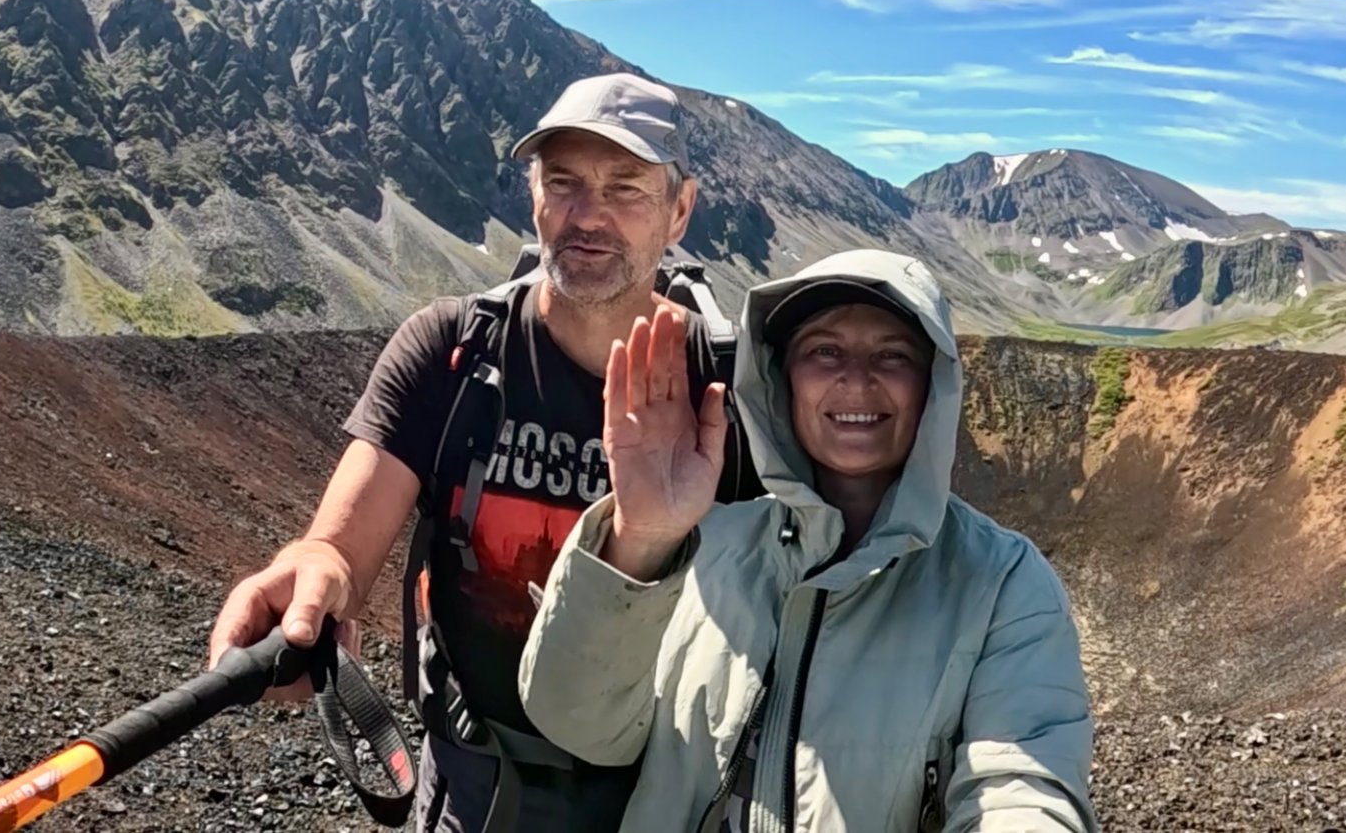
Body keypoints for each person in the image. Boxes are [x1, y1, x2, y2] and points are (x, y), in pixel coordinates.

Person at [206, 73, 757, 833]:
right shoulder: (452, 350)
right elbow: (337, 548)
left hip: (663, 794)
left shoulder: (726, 386)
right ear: (532, 195)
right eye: (562, 181)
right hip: (474, 786)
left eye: (626, 187)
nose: (587, 214)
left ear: (680, 210)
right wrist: (310, 582)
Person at [518, 249, 1099, 832]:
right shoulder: (704, 549)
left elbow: (1022, 787)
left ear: (933, 385)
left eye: (893, 355)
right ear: (781, 377)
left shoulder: (1001, 582)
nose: (855, 378)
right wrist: (640, 538)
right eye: (824, 350)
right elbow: (584, 727)